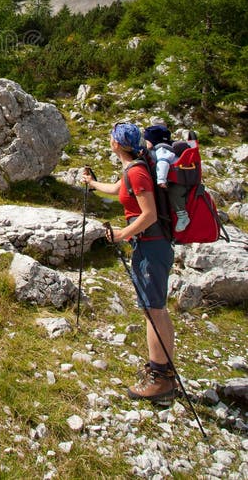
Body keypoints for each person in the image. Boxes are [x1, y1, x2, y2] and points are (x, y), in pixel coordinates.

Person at [82, 121, 176, 402]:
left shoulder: (137, 172)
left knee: (153, 310)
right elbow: (117, 190)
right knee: (156, 308)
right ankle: (164, 370)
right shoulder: (134, 167)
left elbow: (149, 214)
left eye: (111, 138)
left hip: (151, 247)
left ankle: (160, 379)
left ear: (117, 144)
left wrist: (123, 233)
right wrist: (92, 183)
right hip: (151, 245)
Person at [143, 124, 190, 232]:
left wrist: (161, 180)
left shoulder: (162, 149)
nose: (145, 143)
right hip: (175, 179)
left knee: (174, 193)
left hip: (178, 182)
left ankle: (183, 216)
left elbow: (163, 163)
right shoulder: (159, 148)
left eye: (147, 140)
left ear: (154, 140)